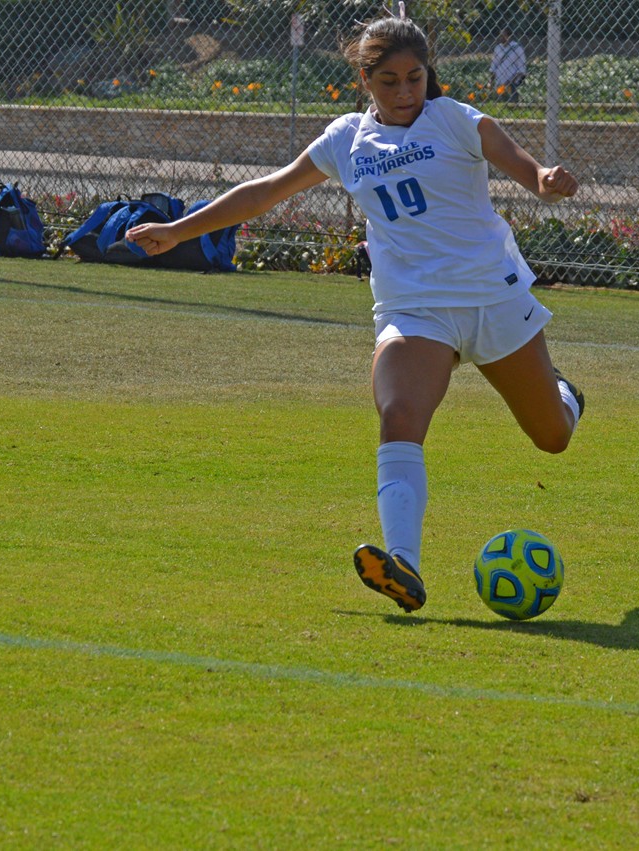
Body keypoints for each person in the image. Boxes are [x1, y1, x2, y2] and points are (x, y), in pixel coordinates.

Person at [126, 13, 583, 613]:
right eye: (389, 80)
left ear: (429, 74)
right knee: (398, 415)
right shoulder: (346, 139)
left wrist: (548, 180)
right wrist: (179, 230)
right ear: (364, 80)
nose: (404, 93)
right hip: (413, 309)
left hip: (493, 299)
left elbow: (528, 171)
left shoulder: (459, 120)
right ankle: (406, 567)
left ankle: (566, 395)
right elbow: (265, 190)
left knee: (551, 437)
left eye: (415, 78)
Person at [489, 28, 527, 102]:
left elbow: (521, 68)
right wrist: (491, 81)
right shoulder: (498, 48)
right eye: (500, 36)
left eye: (503, 36)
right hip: (499, 82)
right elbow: (494, 65)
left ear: (509, 36)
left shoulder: (517, 48)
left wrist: (510, 83)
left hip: (513, 83)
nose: (501, 38)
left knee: (512, 103)